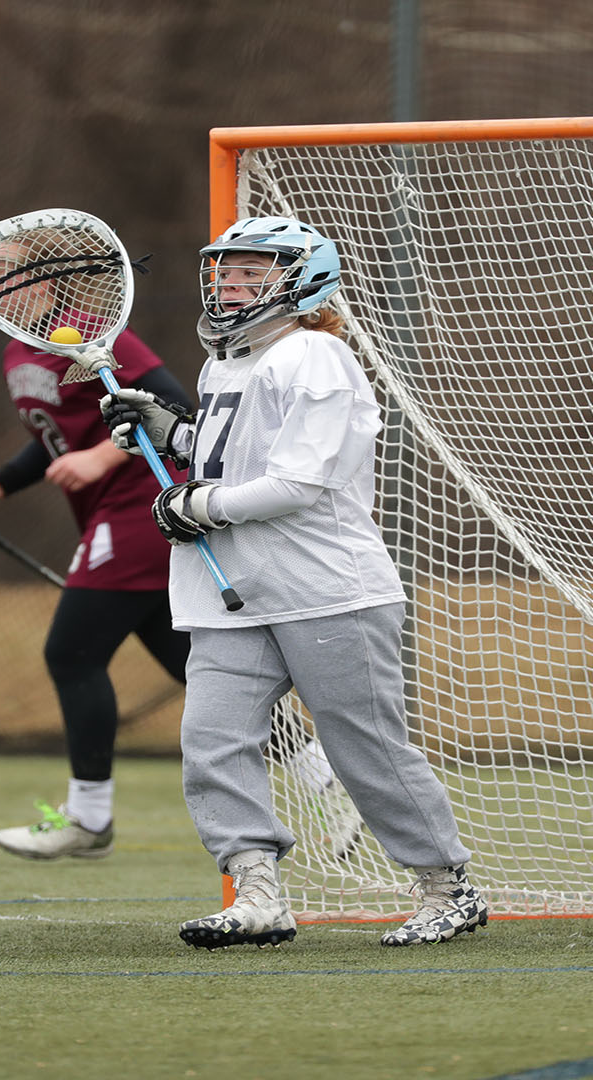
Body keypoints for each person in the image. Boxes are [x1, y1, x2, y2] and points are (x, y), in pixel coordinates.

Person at [101, 216, 488, 949]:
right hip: (231, 589)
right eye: (226, 270)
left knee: (362, 745)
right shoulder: (226, 362)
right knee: (212, 740)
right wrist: (168, 431)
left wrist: (199, 504)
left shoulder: (313, 354)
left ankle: (446, 887)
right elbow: (231, 462)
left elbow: (299, 480)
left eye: (254, 271)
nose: (232, 283)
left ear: (302, 279)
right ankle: (257, 893)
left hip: (325, 587)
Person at [0, 234, 361, 864]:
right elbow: (54, 438)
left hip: (142, 510)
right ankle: (332, 783)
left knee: (71, 652)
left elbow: (172, 409)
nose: (2, 289)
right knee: (189, 663)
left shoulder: (94, 337)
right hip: (115, 519)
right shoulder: (20, 354)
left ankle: (89, 817)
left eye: (14, 276)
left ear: (51, 282)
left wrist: (104, 454)